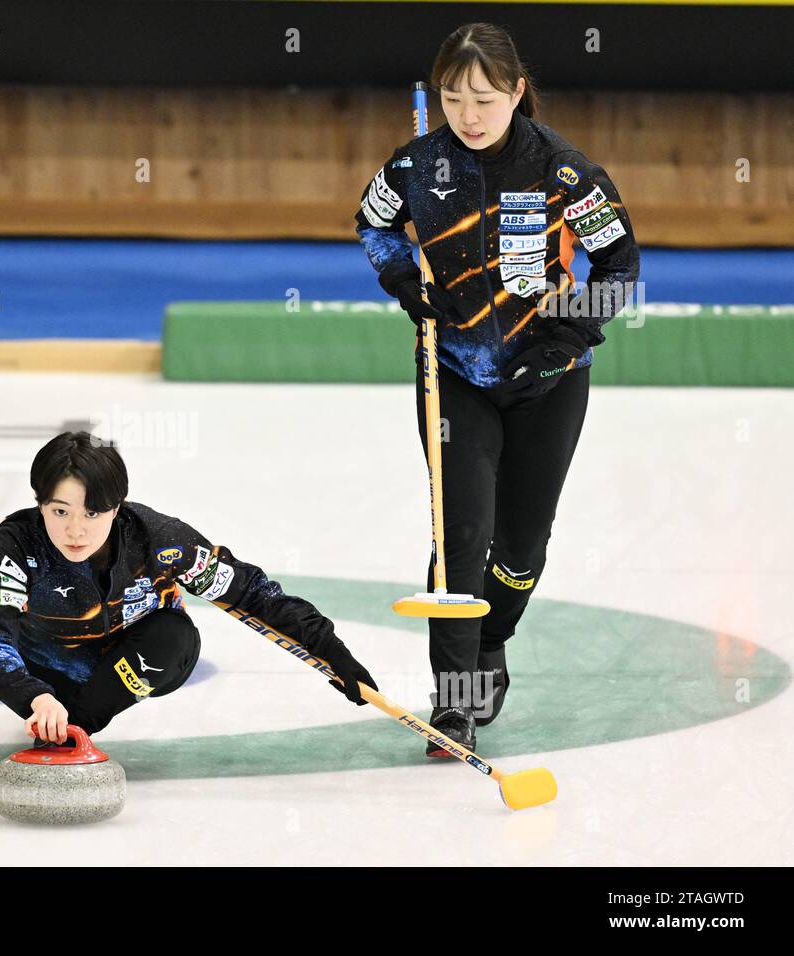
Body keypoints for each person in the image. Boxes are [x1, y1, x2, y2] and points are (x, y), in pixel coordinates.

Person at [354, 23, 640, 756]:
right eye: (452, 98)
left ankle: (492, 643)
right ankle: (456, 706)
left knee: (519, 549)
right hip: (455, 380)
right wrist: (402, 283)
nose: (468, 115)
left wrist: (562, 343)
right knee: (459, 540)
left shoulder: (564, 172)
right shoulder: (416, 165)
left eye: (483, 97)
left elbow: (619, 274)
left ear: (516, 92)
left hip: (550, 384)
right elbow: (374, 225)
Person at [0, 432, 378, 744]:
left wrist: (331, 650)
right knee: (19, 656)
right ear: (40, 504)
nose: (76, 530)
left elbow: (251, 592)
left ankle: (74, 728)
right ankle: (59, 714)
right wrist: (34, 697)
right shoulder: (15, 545)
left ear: (118, 505)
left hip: (142, 657)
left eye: (93, 513)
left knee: (173, 636)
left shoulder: (161, 541)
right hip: (48, 667)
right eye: (60, 511)